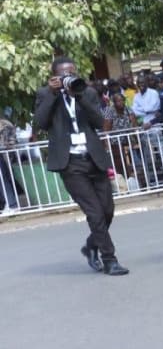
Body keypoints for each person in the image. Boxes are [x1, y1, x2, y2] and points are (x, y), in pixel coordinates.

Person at [33, 56, 130, 275]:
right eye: (64, 74)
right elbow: (40, 123)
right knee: (95, 213)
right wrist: (52, 94)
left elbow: (99, 122)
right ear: (55, 76)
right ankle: (110, 260)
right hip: (70, 163)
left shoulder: (86, 93)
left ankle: (90, 246)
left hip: (93, 158)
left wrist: (78, 96)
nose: (69, 77)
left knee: (107, 211)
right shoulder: (45, 94)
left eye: (72, 73)